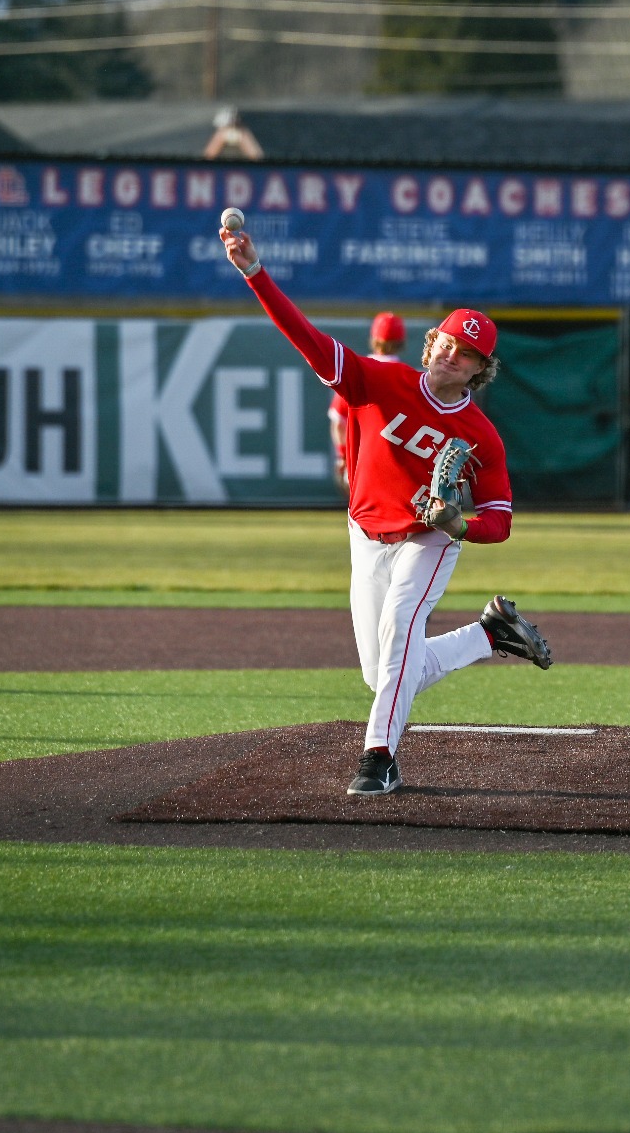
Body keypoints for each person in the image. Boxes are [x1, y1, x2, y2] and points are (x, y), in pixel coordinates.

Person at [221, 220, 553, 796]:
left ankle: (379, 758)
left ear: (481, 369)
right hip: (366, 532)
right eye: (447, 343)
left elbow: (499, 520)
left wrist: (458, 524)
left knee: (401, 625)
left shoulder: (481, 435)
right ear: (432, 342)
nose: (452, 355)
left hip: (429, 539)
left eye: (467, 354)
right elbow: (307, 338)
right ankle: (489, 636)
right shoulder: (376, 380)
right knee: (384, 676)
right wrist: (255, 273)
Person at [329, 311, 406, 490]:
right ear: (401, 342)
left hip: (361, 462)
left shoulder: (356, 371)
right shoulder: (409, 377)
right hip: (396, 465)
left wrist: (342, 456)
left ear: (374, 339)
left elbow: (338, 422)